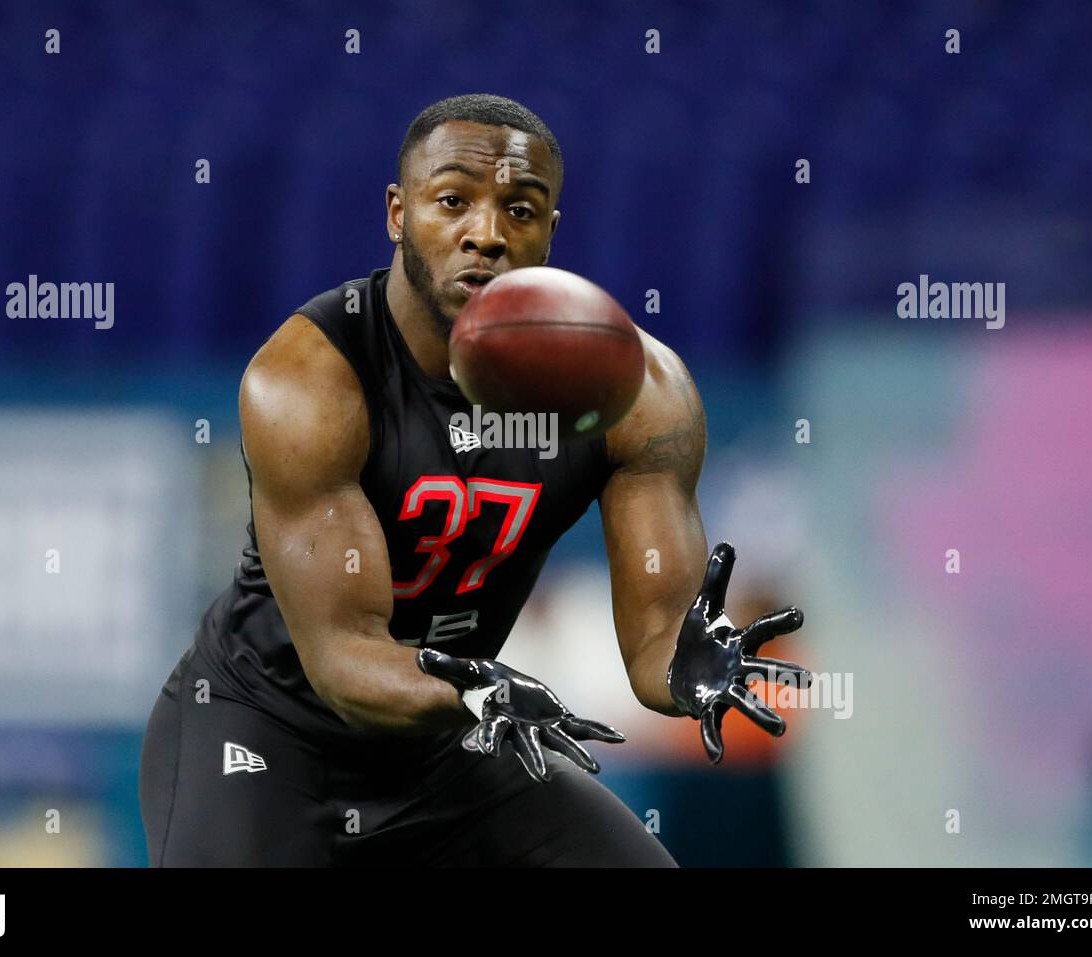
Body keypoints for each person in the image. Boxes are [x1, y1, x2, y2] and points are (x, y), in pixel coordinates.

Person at [139, 93, 807, 866]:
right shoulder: (312, 379)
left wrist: (685, 668)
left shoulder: (634, 391)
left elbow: (658, 637)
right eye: (453, 200)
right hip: (267, 733)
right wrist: (475, 689)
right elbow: (345, 657)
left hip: (448, 745)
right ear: (398, 214)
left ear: (550, 231)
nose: (487, 233)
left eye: (520, 210)